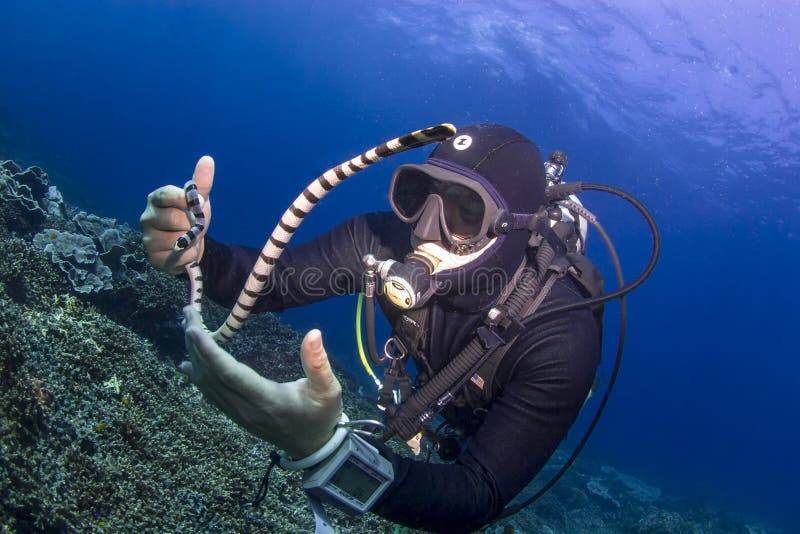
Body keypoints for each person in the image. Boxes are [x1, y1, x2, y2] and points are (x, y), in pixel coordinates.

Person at [140, 124, 602, 532]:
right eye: (419, 197)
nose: (426, 231)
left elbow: (474, 496)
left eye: (465, 212)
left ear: (512, 229)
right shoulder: (381, 243)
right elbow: (273, 284)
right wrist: (196, 255)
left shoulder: (562, 340)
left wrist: (325, 452)